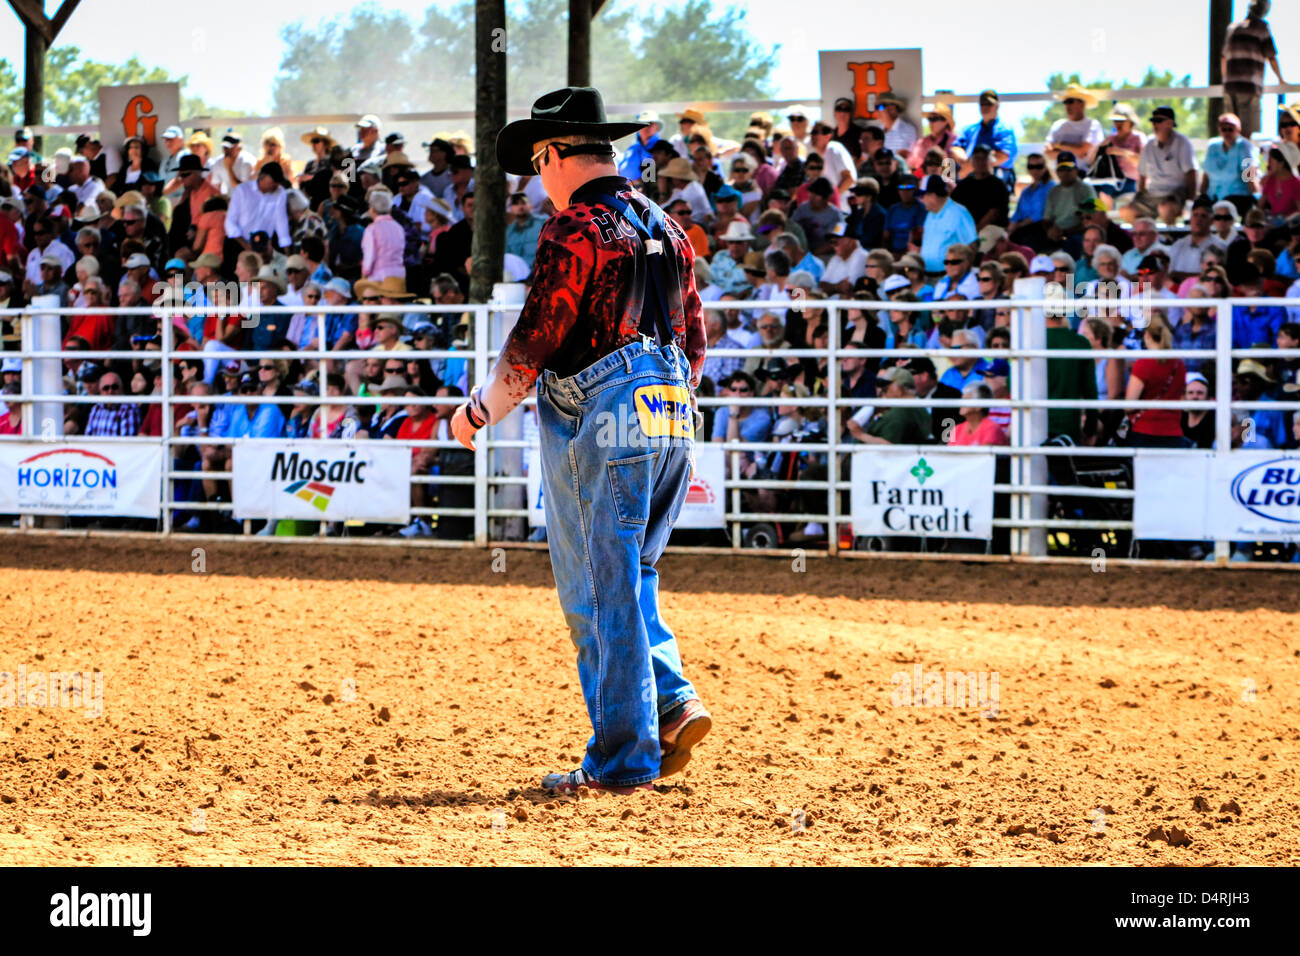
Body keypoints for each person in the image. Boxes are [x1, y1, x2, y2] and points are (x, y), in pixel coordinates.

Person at [450, 86, 709, 795]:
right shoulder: (666, 225)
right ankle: (673, 701)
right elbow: (696, 339)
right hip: (671, 412)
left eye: (539, 162)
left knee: (597, 590)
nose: (540, 178)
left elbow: (537, 337)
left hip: (602, 413)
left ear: (557, 155)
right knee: (632, 577)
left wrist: (478, 410)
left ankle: (623, 761)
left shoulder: (576, 227)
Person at [1221, 0, 1284, 140]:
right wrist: (1281, 79)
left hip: (1230, 87)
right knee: (1246, 134)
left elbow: (1223, 58)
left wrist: (1226, 80)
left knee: (1230, 131)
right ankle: (1243, 161)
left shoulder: (1232, 28)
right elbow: (1271, 56)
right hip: (1249, 87)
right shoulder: (1262, 27)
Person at [1122, 318, 1188, 448]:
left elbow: (1129, 405)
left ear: (1147, 335)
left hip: (1144, 432)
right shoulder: (1179, 364)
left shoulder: (1143, 363)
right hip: (1173, 433)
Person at [1131, 107, 1198, 219]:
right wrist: (1139, 198)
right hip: (1153, 193)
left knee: (1165, 208)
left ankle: (1169, 235)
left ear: (1170, 123)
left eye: (1159, 121)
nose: (1155, 125)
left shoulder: (1182, 143)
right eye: (1153, 121)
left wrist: (1189, 203)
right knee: (1127, 211)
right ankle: (1145, 234)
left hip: (1175, 194)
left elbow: (1191, 174)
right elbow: (1142, 176)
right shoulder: (1149, 145)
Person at [951, 89, 1017, 187]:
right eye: (982, 104)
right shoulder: (970, 129)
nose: (985, 107)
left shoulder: (1004, 129)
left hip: (995, 176)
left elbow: (1003, 156)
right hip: (967, 175)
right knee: (946, 164)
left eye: (989, 104)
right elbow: (955, 149)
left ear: (997, 105)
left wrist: (972, 165)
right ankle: (945, 191)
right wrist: (964, 162)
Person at [1045, 84, 1104, 174]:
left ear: (1082, 104)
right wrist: (1074, 149)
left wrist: (1059, 146)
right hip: (1060, 176)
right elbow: (1048, 153)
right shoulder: (1057, 125)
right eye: (1065, 102)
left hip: (1085, 175)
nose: (1067, 105)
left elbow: (1082, 151)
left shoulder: (1093, 124)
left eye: (1070, 101)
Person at [948, 381, 1007, 446]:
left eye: (966, 399)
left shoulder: (991, 428)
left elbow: (984, 455)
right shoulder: (957, 429)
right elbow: (948, 455)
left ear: (979, 405)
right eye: (962, 399)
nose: (962, 403)